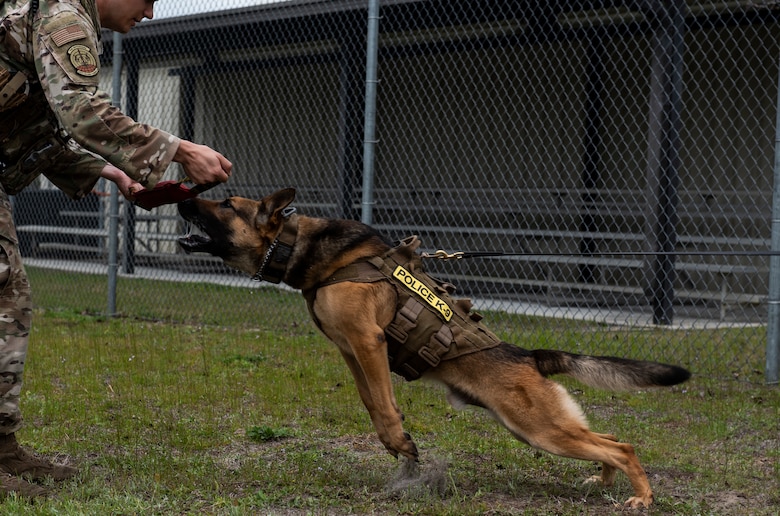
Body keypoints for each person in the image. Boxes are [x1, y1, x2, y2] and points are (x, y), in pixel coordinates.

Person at [0, 0, 232, 497]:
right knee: (4, 301)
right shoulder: (65, 16)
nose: (149, 13)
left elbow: (37, 131)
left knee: (9, 303)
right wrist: (178, 149)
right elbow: (81, 111)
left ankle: (2, 446)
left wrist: (113, 172)